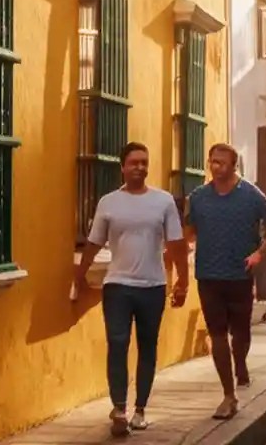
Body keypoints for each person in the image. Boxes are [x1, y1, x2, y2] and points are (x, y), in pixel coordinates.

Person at [75, 142, 189, 437]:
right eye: (134, 162)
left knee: (148, 346)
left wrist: (183, 281)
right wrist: (80, 272)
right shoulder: (109, 202)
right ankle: (119, 408)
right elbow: (94, 241)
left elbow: (177, 244)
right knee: (117, 341)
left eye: (144, 162)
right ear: (122, 167)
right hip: (118, 285)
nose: (139, 167)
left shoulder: (163, 201)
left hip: (153, 286)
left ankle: (140, 409)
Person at [185, 143, 266, 421]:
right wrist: (178, 249)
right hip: (208, 276)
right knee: (217, 334)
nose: (216, 167)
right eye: (212, 162)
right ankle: (229, 395)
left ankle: (240, 363)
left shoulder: (251, 195)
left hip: (240, 275)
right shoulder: (199, 197)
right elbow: (189, 232)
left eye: (222, 163)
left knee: (240, 333)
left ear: (233, 166)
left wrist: (259, 253)